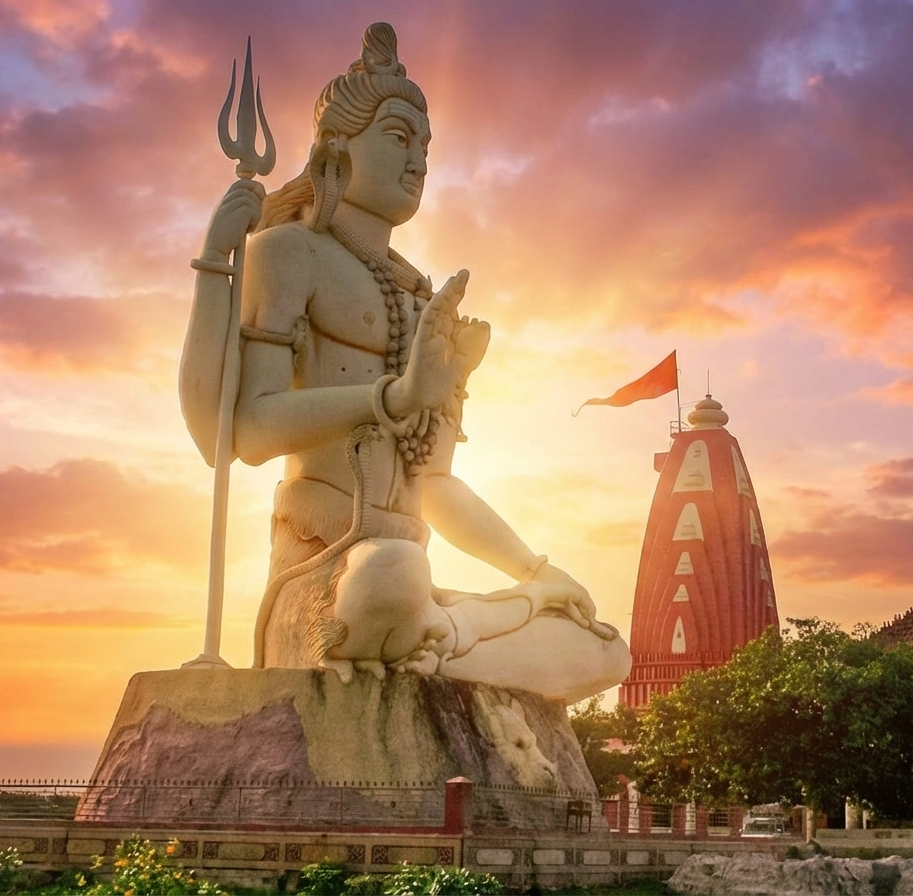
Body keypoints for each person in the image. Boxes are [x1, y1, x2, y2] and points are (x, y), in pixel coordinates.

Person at [180, 23, 630, 703]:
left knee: (604, 648)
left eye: (425, 146)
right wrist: (216, 265)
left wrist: (534, 571)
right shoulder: (288, 252)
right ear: (337, 147)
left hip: (409, 582)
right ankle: (447, 638)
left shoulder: (422, 301)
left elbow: (434, 484)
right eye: (398, 138)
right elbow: (244, 432)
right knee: (390, 575)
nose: (418, 161)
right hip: (326, 580)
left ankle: (437, 638)